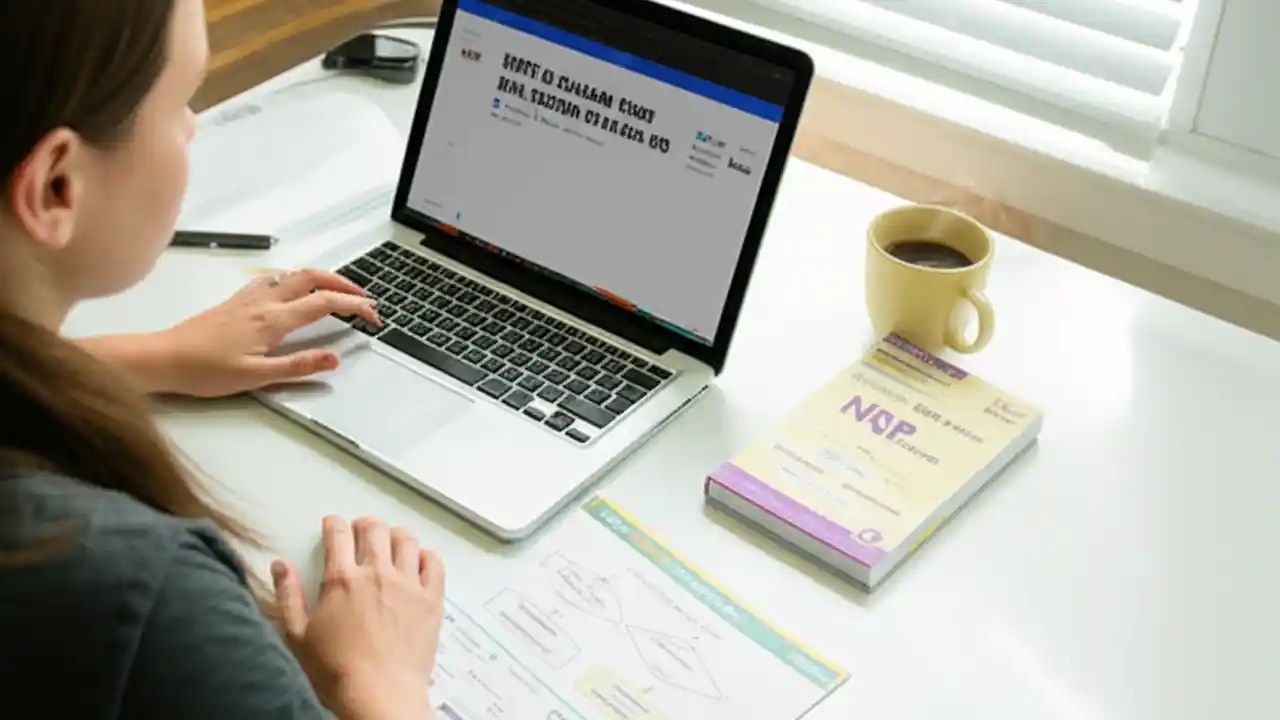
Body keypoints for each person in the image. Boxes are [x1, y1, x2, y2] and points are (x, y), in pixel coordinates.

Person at [0, 1, 446, 717]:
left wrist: (155, 355)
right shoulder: (149, 599)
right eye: (182, 101)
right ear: (58, 185)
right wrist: (382, 683)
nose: (193, 128)